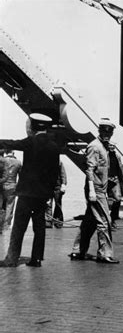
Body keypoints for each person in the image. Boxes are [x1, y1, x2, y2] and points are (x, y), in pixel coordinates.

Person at [0, 113, 60, 267]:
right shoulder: (54, 147)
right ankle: (37, 259)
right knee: (39, 228)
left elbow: (13, 143)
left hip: (26, 193)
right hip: (41, 195)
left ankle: (12, 259)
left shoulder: (30, 142)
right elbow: (54, 174)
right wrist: (49, 193)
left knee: (19, 227)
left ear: (33, 126)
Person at [70, 120, 119, 264]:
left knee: (89, 221)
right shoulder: (94, 147)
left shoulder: (104, 148)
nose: (107, 135)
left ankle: (78, 250)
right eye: (104, 132)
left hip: (100, 189)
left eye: (109, 133)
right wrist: (91, 190)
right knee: (105, 221)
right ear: (99, 132)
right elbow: (89, 169)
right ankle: (104, 254)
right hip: (96, 190)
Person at [0, 150, 22, 232]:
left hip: (1, 186)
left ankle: (0, 226)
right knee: (10, 206)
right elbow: (21, 177)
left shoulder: (2, 161)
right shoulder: (18, 162)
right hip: (12, 186)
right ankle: (7, 226)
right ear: (13, 153)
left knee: (1, 206)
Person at [107, 142, 123, 229]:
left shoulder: (117, 156)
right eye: (110, 145)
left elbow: (120, 167)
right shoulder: (104, 154)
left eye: (113, 145)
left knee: (118, 199)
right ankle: (104, 220)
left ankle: (112, 218)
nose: (112, 147)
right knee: (102, 199)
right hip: (105, 179)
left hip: (115, 179)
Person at [45, 160, 67, 228]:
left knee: (58, 204)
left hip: (58, 186)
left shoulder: (59, 162)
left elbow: (63, 174)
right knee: (48, 204)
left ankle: (58, 221)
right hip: (48, 187)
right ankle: (48, 222)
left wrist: (63, 184)